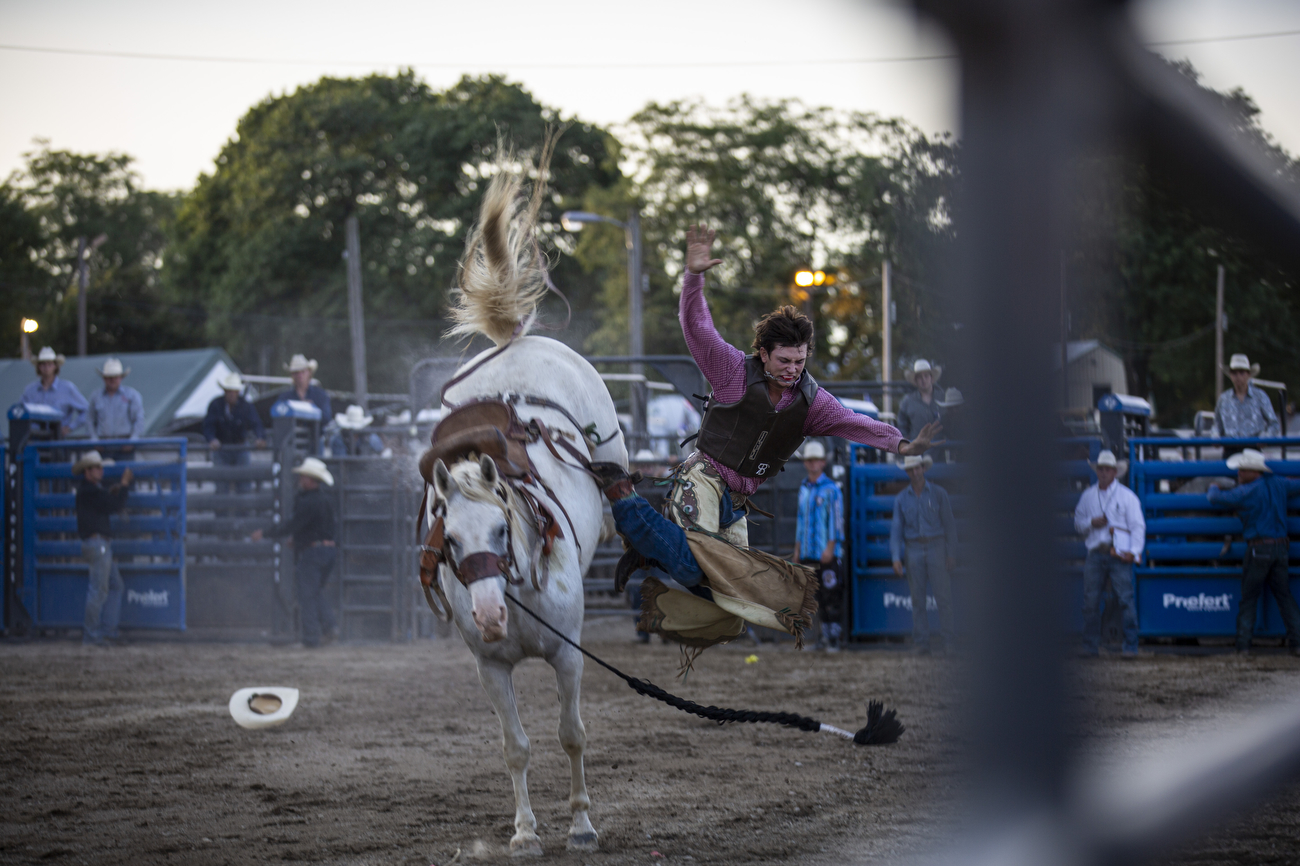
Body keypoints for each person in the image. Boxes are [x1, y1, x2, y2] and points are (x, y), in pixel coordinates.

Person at [591, 224, 939, 648]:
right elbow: (697, 328)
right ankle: (626, 501)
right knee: (693, 566)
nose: (794, 368)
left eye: (800, 359)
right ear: (764, 354)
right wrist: (694, 276)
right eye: (786, 360)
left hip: (735, 502)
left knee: (733, 605)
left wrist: (902, 445)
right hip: (702, 478)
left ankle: (653, 549)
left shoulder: (813, 403)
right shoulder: (734, 371)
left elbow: (856, 423)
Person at [1207, 449, 1300, 656]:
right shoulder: (1280, 484)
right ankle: (1297, 642)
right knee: (1284, 596)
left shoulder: (1245, 492)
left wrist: (1214, 485)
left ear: (1253, 471)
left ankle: (1243, 646)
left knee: (1249, 598)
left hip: (1259, 548)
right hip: (1280, 549)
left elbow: (1215, 498)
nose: (1239, 473)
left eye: (1242, 469)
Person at [252, 458, 338, 647]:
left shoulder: (307, 502)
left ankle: (311, 638)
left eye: (303, 476)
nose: (300, 479)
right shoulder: (323, 500)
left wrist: (266, 533)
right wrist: (299, 539)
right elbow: (320, 527)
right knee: (315, 591)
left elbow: (292, 525)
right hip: (327, 551)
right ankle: (330, 627)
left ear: (311, 480)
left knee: (307, 594)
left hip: (313, 553)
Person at [1073, 449, 1145, 658]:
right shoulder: (1089, 496)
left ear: (1114, 472)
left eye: (1107, 469)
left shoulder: (1126, 497)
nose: (1104, 473)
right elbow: (1078, 524)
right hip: (1098, 552)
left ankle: (1127, 646)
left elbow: (1138, 526)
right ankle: (1096, 646)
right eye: (1101, 469)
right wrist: (1090, 523)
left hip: (1117, 554)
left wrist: (1133, 551)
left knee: (1123, 599)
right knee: (1091, 602)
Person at [890, 454, 958, 654]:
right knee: (918, 598)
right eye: (911, 469)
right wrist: (895, 557)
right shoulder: (902, 499)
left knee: (943, 597)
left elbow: (949, 526)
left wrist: (951, 552)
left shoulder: (938, 494)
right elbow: (896, 530)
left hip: (935, 546)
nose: (914, 472)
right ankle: (922, 641)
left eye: (917, 468)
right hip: (914, 548)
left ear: (923, 468)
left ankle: (948, 641)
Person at [74, 450, 133, 646]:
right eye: (97, 468)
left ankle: (106, 632)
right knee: (100, 590)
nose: (100, 470)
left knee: (113, 586)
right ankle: (92, 636)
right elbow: (114, 504)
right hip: (98, 544)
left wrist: (113, 491)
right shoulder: (90, 492)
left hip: (98, 544)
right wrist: (124, 485)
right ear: (87, 472)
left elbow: (106, 502)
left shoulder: (88, 491)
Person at [792, 440, 845, 651]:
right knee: (816, 597)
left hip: (825, 551)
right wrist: (797, 550)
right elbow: (800, 520)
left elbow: (836, 521)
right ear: (806, 463)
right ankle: (823, 638)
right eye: (810, 460)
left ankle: (834, 639)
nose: (813, 464)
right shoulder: (803, 489)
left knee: (831, 595)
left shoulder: (831, 490)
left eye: (816, 460)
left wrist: (831, 546)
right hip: (808, 552)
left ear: (823, 463)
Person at [202, 372, 266, 469]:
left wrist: (260, 437)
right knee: (221, 479)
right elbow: (208, 425)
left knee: (244, 479)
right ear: (224, 391)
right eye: (229, 391)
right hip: (221, 448)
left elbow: (256, 422)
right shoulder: (216, 405)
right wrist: (211, 439)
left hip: (241, 447)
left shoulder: (246, 406)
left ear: (238, 392)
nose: (232, 394)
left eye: (234, 391)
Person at [22, 346, 88, 436]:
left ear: (55, 366)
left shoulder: (67, 388)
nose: (46, 368)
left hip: (58, 440)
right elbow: (20, 412)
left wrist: (69, 428)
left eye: (49, 364)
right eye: (43, 364)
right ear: (38, 367)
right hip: (35, 439)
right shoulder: (30, 391)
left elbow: (87, 411)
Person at [87, 357, 146, 459]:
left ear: (121, 377)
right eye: (109, 377)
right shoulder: (95, 397)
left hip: (125, 446)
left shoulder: (132, 395)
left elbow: (139, 420)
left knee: (125, 474)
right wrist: (95, 441)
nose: (112, 380)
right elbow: (90, 420)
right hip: (102, 446)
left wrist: (132, 441)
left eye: (115, 376)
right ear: (104, 378)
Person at [1215, 354, 1280, 440]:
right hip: (1230, 448)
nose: (1238, 376)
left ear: (1248, 374)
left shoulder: (1260, 396)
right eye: (1234, 373)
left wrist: (1266, 438)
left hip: (1254, 448)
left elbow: (1274, 424)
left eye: (1241, 372)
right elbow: (1217, 426)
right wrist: (1215, 436)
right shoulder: (1223, 399)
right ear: (1230, 375)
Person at [897, 360, 943, 441]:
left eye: (926, 376)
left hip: (940, 449)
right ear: (915, 380)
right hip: (917, 450)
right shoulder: (907, 402)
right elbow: (902, 429)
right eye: (919, 377)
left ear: (931, 378)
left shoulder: (943, 398)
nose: (923, 380)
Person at [285, 354, 332, 418]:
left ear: (309, 372)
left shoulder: (320, 395)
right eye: (296, 372)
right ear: (292, 375)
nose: (300, 375)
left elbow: (327, 417)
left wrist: (312, 409)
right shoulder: (285, 397)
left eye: (302, 371)